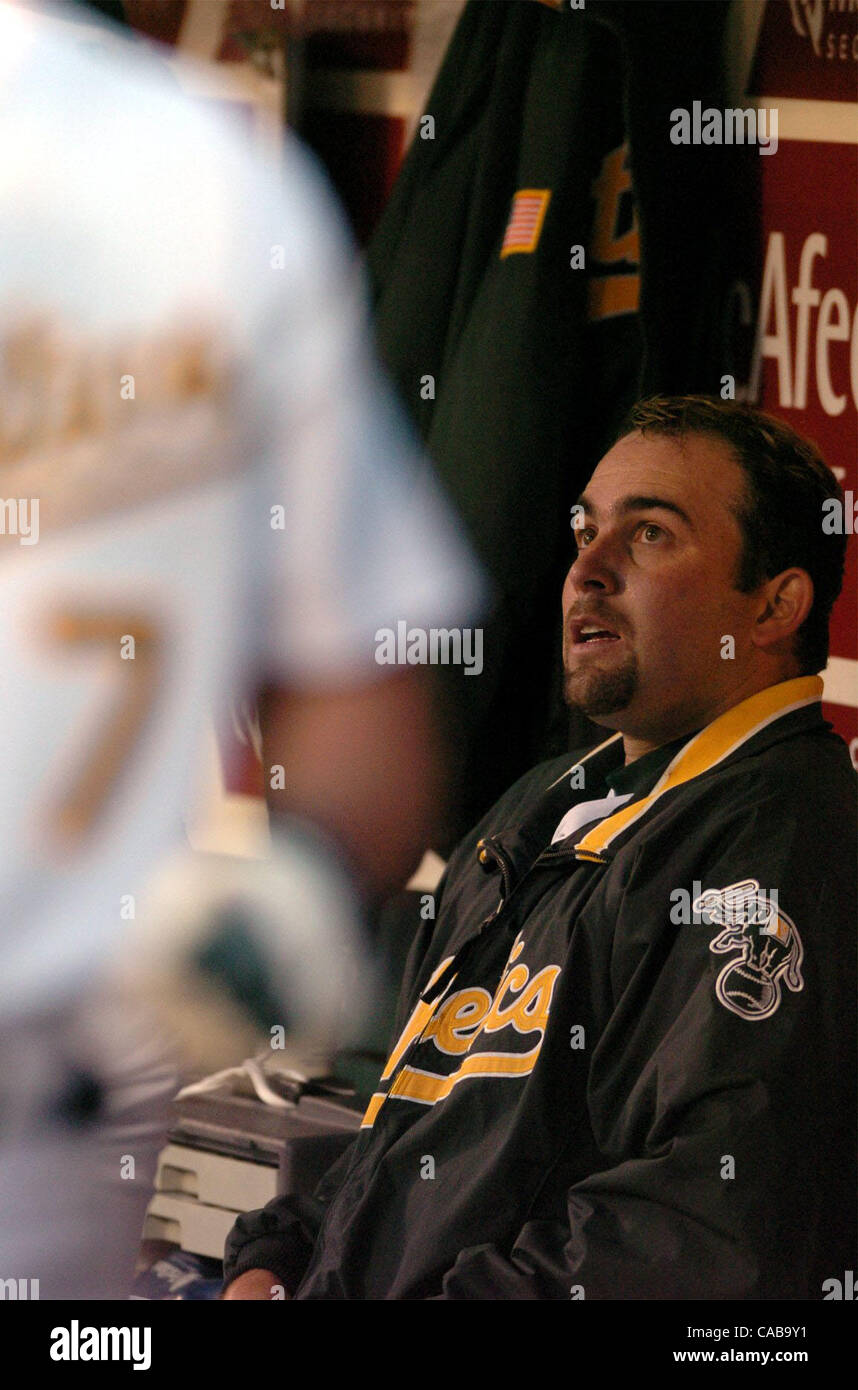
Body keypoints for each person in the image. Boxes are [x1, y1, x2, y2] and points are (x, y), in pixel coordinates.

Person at [0, 0, 481, 1298]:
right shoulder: (200, 172)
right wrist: (298, 895)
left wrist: (293, 890)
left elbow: (366, 678)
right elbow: (377, 694)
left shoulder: (198, 183)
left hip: (63, 1095)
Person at [223, 395, 856, 1301]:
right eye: (585, 530)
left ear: (774, 606)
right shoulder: (548, 799)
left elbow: (694, 1245)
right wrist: (280, 1256)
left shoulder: (781, 850)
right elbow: (416, 1136)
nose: (586, 571)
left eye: (649, 536)